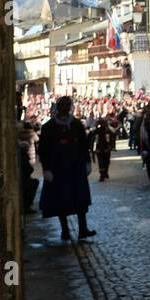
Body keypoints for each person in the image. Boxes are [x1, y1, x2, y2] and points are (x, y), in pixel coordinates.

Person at [37, 95, 94, 240]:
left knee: (80, 200)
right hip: (58, 169)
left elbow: (84, 146)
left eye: (67, 106)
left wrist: (87, 162)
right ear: (58, 107)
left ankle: (83, 229)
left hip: (76, 167)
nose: (65, 108)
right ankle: (65, 230)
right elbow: (43, 150)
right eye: (62, 105)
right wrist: (46, 169)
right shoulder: (48, 127)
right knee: (60, 200)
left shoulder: (76, 125)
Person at [90, 113, 117, 182]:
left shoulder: (107, 130)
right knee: (102, 161)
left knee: (106, 161)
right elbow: (93, 140)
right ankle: (102, 174)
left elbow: (112, 139)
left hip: (105, 148)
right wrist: (92, 149)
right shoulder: (97, 131)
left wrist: (111, 146)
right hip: (100, 148)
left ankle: (105, 172)